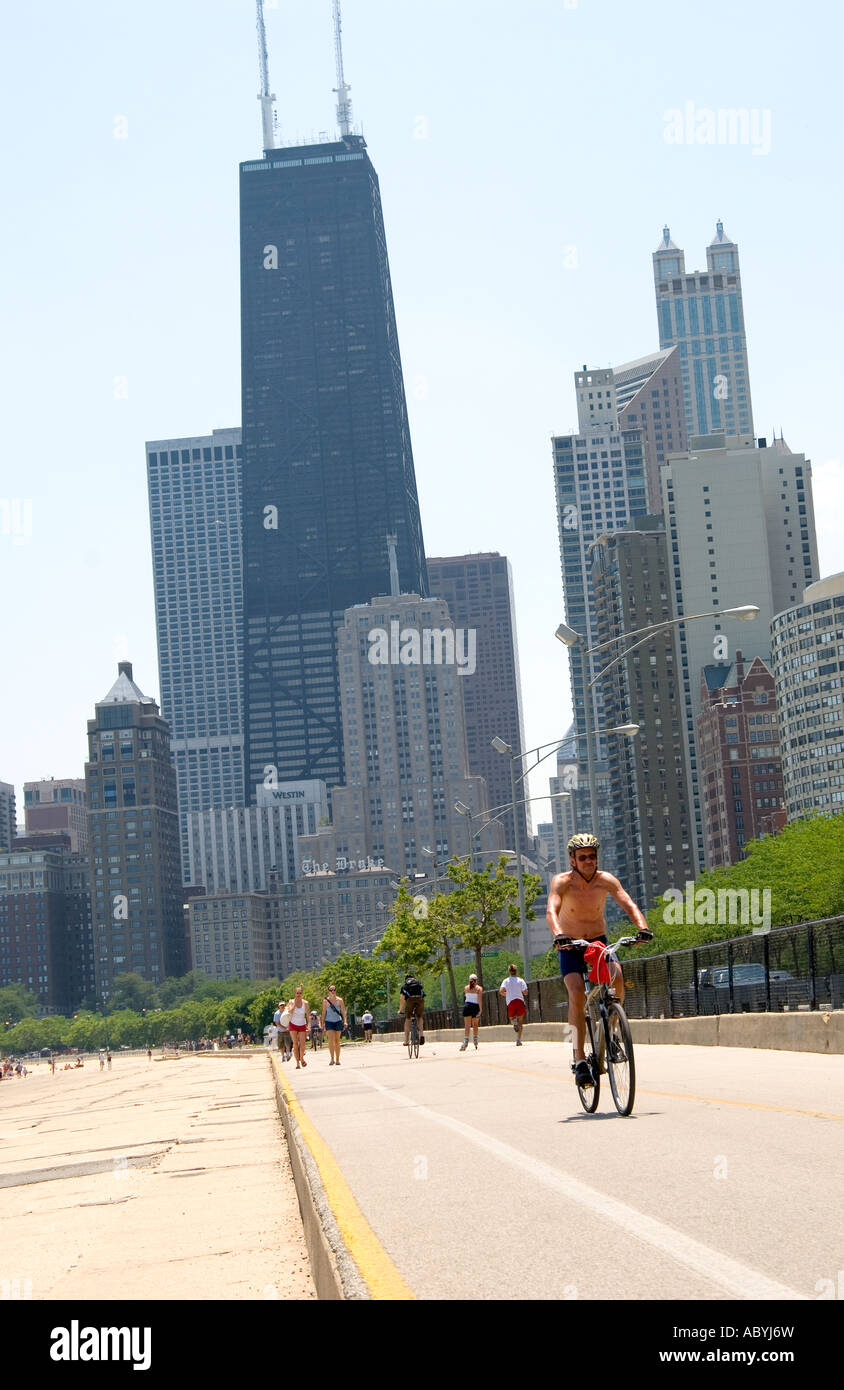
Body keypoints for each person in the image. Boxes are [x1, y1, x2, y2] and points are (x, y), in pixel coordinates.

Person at [546, 832, 653, 1089]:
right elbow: (552, 910)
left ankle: (611, 1032)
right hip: (570, 944)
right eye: (582, 857)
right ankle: (580, 1059)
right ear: (572, 860)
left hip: (597, 941)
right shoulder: (562, 882)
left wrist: (642, 927)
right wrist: (559, 935)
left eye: (592, 856)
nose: (588, 861)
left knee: (617, 977)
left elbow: (628, 903)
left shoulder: (605, 880)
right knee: (576, 993)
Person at [499, 964, 529, 1045]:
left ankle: (514, 1023)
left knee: (512, 1017)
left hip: (510, 1002)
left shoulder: (506, 981)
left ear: (509, 971)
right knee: (520, 1022)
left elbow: (501, 991)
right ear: (516, 971)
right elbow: (525, 992)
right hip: (520, 1001)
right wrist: (520, 991)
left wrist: (507, 994)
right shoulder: (521, 980)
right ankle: (518, 1040)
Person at [321, 985, 347, 1065]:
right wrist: (322, 1023)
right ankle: (332, 1059)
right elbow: (324, 1012)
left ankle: (337, 1059)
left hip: (338, 1021)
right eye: (331, 990)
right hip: (329, 1022)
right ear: (328, 991)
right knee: (330, 1040)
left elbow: (343, 1012)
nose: (333, 991)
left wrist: (345, 1021)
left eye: (334, 990)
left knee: (337, 1040)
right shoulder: (325, 1001)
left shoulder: (340, 1000)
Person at [399, 974, 425, 1048]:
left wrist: (400, 1010)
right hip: (420, 1000)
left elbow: (402, 1000)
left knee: (408, 1018)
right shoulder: (419, 984)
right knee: (419, 1017)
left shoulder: (404, 986)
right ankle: (422, 1035)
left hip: (410, 1000)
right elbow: (423, 995)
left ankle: (406, 1040)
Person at [288, 986, 310, 1070]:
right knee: (295, 1044)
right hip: (293, 1024)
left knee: (303, 1044)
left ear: (302, 994)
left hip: (302, 1024)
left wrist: (309, 1025)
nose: (299, 995)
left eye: (300, 993)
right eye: (297, 993)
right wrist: (294, 1004)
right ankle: (297, 1063)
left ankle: (302, 1058)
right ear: (295, 993)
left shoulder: (306, 1003)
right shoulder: (291, 1001)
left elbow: (308, 1015)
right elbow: (290, 1011)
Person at [460, 973, 483, 1050]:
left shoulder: (466, 988)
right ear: (476, 980)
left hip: (467, 1006)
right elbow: (479, 1000)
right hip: (475, 1007)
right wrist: (480, 1009)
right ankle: (475, 1041)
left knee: (467, 1025)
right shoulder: (479, 989)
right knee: (475, 1024)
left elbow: (467, 997)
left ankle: (465, 1042)